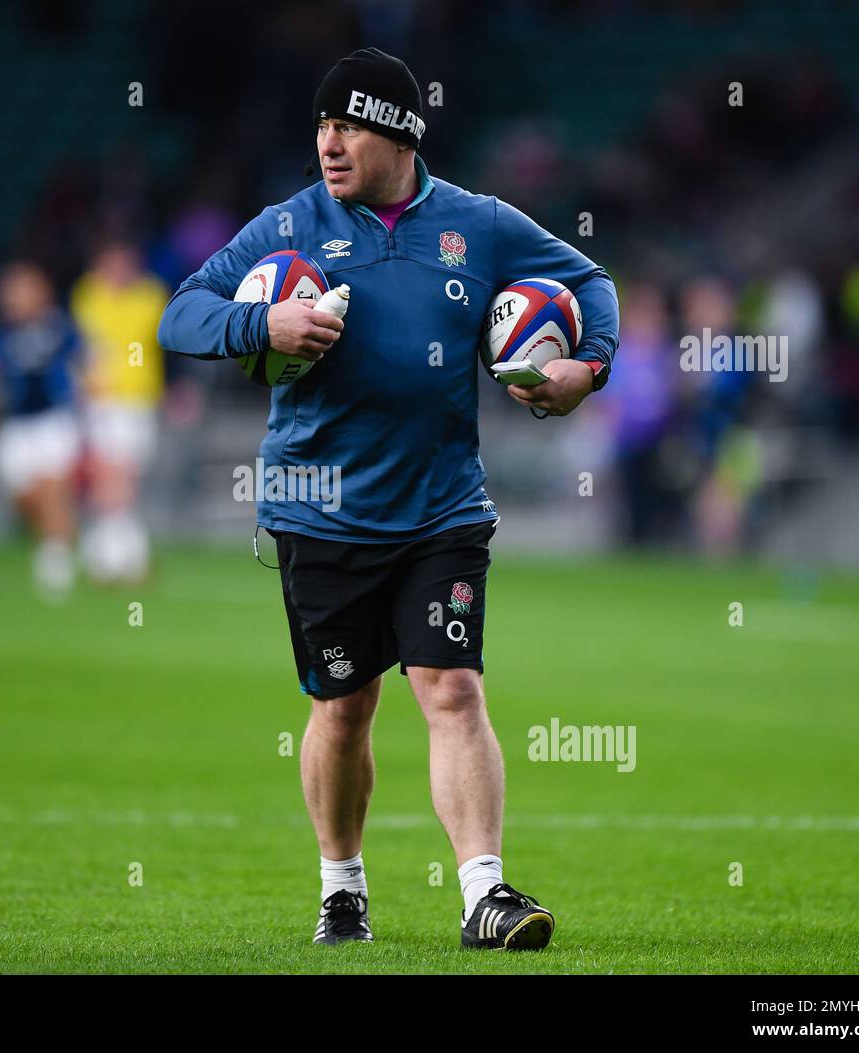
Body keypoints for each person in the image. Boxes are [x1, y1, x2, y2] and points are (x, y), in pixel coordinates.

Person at [158, 48, 619, 950]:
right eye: (322, 127)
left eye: (349, 127)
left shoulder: (480, 224)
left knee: (453, 689)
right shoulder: (291, 223)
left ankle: (484, 895)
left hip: (444, 507)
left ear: (401, 135)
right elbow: (180, 312)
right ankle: (342, 888)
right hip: (319, 504)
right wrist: (261, 323)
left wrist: (587, 367)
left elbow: (591, 282)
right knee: (344, 706)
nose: (328, 145)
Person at [0, 261, 83, 599]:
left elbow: (84, 361)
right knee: (25, 498)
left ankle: (56, 562)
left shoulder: (59, 328)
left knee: (52, 488)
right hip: (14, 426)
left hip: (53, 420)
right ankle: (62, 539)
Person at [70, 240, 169, 583]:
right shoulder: (88, 294)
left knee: (122, 478)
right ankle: (118, 555)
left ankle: (116, 554)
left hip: (138, 401)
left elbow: (164, 344)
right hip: (98, 401)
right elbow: (82, 346)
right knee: (106, 478)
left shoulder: (151, 296)